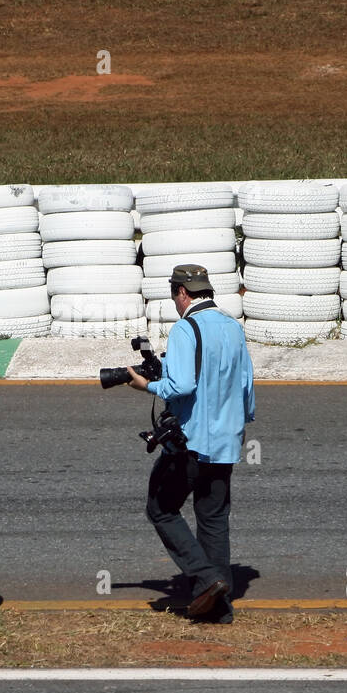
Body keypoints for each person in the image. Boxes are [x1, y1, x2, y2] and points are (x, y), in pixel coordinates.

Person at [127, 263, 255, 623]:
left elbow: (181, 386)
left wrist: (146, 385)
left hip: (192, 442)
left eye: (173, 294)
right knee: (213, 519)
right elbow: (247, 384)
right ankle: (219, 610)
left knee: (161, 508)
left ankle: (206, 577)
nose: (174, 301)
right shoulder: (233, 326)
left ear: (182, 292)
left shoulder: (186, 328)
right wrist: (240, 425)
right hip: (227, 442)